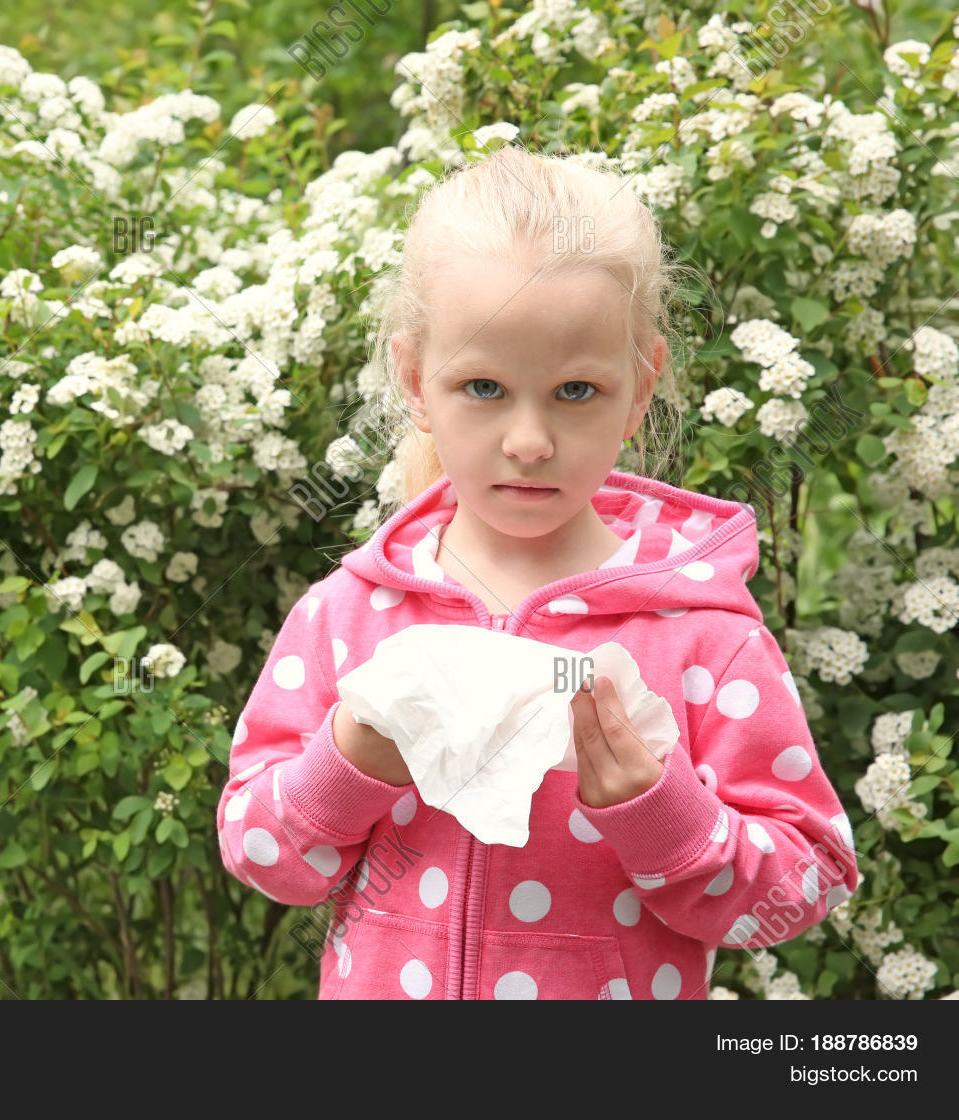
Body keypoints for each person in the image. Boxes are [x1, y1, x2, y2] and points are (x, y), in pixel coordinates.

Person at [216, 145, 860, 1000]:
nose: (528, 440)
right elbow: (262, 856)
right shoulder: (352, 615)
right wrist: (352, 758)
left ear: (640, 388)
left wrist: (665, 818)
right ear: (415, 379)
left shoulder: (704, 636)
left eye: (576, 391)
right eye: (483, 387)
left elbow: (801, 889)